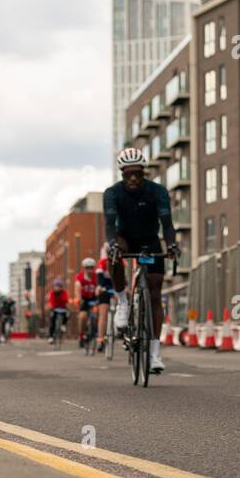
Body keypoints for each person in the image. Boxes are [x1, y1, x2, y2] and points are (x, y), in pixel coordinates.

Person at [104, 147, 180, 373]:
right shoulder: (113, 193)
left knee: (155, 294)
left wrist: (172, 245)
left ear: (144, 172)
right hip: (125, 238)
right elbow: (109, 224)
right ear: (122, 173)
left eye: (138, 173)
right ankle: (123, 302)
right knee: (115, 253)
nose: (134, 178)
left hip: (149, 241)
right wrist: (113, 244)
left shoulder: (157, 192)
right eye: (129, 174)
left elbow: (167, 224)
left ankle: (155, 354)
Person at [74, 257, 102, 348]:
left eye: (91, 267)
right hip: (84, 299)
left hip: (95, 298)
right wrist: (78, 299)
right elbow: (77, 287)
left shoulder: (97, 277)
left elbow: (100, 286)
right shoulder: (80, 277)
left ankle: (99, 335)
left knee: (99, 314)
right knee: (82, 316)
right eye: (87, 268)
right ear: (84, 268)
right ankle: (81, 335)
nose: (89, 270)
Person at [94, 251, 115, 355]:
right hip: (104, 288)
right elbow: (99, 279)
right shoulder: (102, 262)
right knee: (103, 314)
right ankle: (101, 339)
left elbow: (123, 279)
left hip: (116, 288)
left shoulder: (120, 261)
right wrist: (99, 287)